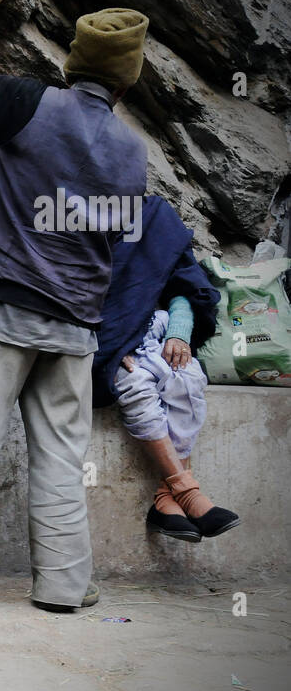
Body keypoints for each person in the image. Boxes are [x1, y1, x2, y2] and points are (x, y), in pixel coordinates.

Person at [0, 8, 150, 612]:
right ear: (127, 84)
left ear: (72, 62)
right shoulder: (135, 153)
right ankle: (64, 587)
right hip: (76, 326)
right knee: (61, 462)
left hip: (1, 309)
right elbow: (119, 241)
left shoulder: (29, 104)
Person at [93, 196, 238, 540]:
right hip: (107, 336)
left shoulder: (153, 215)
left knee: (187, 378)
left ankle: (166, 498)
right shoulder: (73, 216)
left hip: (156, 331)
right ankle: (187, 493)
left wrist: (179, 334)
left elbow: (182, 287)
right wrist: (109, 341)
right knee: (135, 382)